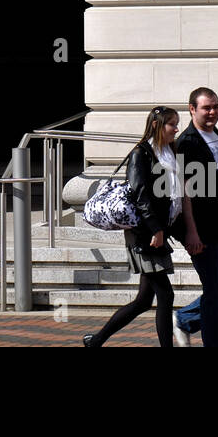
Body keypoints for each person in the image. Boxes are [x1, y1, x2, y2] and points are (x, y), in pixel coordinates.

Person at [83, 105, 185, 347]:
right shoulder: (141, 153)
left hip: (157, 231)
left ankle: (96, 341)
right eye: (172, 124)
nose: (176, 129)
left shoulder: (168, 152)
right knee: (166, 295)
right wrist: (157, 230)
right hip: (145, 234)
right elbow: (140, 195)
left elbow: (171, 197)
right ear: (156, 125)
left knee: (143, 300)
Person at [172, 86, 218, 347]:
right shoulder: (188, 143)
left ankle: (185, 319)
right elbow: (186, 193)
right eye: (206, 107)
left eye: (215, 106)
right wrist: (191, 231)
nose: (212, 112)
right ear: (192, 109)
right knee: (216, 292)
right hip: (203, 227)